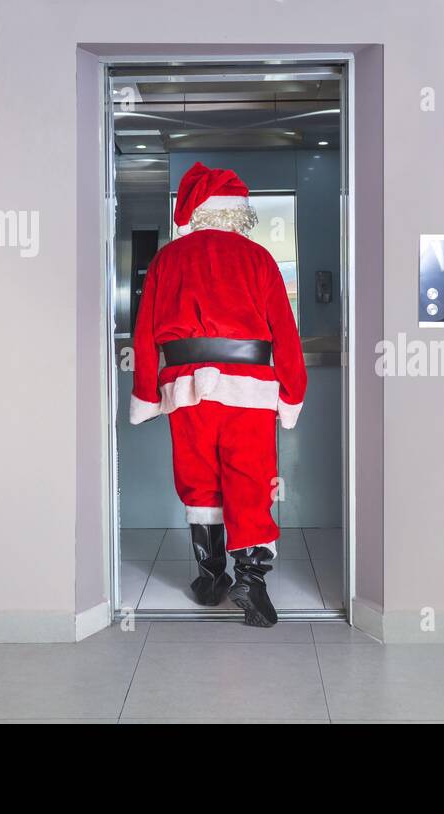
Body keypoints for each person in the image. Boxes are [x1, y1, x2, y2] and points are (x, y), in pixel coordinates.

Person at [129, 163, 306, 627]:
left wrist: (146, 392)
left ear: (197, 214)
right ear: (236, 216)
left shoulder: (167, 259)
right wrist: (292, 392)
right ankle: (251, 579)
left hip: (186, 388)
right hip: (248, 390)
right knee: (251, 479)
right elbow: (285, 336)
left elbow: (144, 334)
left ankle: (210, 578)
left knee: (198, 479)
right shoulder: (259, 258)